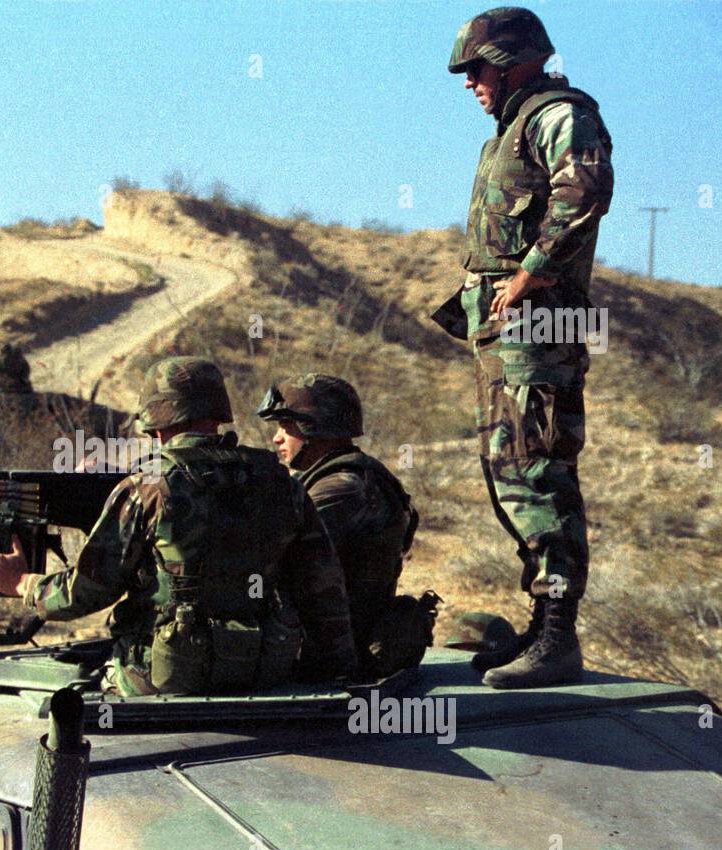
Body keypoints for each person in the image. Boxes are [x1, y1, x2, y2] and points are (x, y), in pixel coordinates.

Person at [0, 356, 359, 695]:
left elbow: (87, 592)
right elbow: (324, 590)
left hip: (163, 677)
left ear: (154, 423)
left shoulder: (149, 487)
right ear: (218, 412)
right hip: (263, 672)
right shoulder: (281, 483)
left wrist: (22, 583)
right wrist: (332, 675)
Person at [431, 6, 613, 689]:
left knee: (536, 471)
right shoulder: (513, 128)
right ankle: (544, 627)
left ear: (512, 61)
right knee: (511, 472)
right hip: (511, 336)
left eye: (475, 68)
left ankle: (559, 636)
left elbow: (587, 190)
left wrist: (530, 272)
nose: (469, 83)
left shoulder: (557, 114)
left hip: (539, 329)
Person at [257, 375, 418, 664]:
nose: (277, 438)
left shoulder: (343, 488)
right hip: (337, 637)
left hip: (329, 649)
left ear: (316, 427)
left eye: (287, 426)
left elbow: (269, 554)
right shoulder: (351, 476)